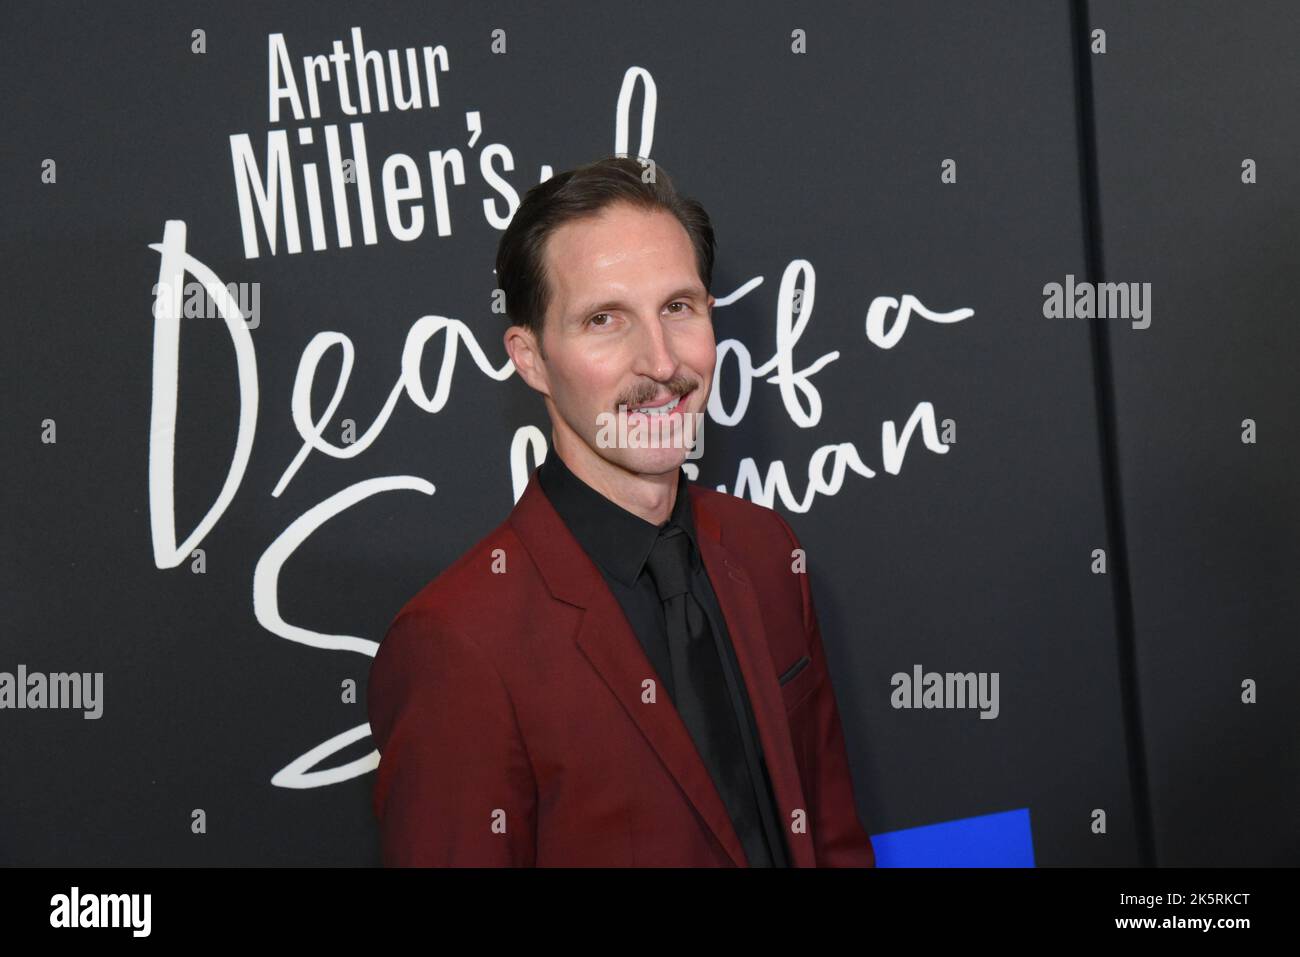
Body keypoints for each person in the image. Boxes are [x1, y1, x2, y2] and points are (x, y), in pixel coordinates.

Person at [367, 154, 874, 866]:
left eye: (678, 307)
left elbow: (834, 841)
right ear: (531, 358)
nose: (661, 363)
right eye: (605, 319)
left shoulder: (765, 551)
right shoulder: (459, 645)